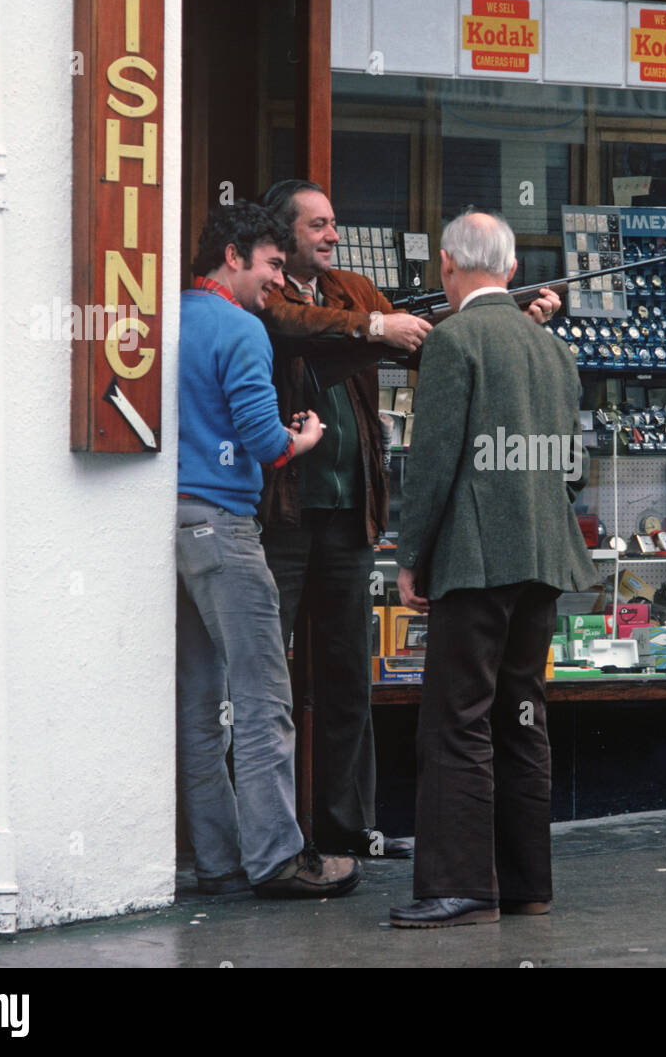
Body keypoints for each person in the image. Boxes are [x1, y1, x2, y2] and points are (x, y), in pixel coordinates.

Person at [255, 180, 562, 861]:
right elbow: (290, 325)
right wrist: (373, 328)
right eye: (318, 224)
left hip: (348, 514)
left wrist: (511, 316)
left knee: (346, 679)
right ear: (282, 233)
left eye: (334, 222)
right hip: (283, 512)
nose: (332, 235)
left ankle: (346, 827)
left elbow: (429, 343)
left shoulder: (353, 289)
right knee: (267, 681)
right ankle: (268, 842)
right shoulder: (266, 292)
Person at [388, 210, 598, 928]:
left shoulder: (454, 339)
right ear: (509, 269)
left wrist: (410, 557)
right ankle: (525, 884)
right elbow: (572, 468)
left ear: (447, 265)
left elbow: (432, 464)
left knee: (456, 720)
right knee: (521, 715)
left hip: (474, 560)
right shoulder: (553, 348)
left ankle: (462, 888)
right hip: (543, 556)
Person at [176, 200, 360, 899]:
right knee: (262, 700)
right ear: (233, 257)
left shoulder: (169, 316)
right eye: (273, 265)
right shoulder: (241, 328)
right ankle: (279, 858)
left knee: (200, 704)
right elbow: (265, 442)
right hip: (225, 525)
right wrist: (303, 437)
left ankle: (219, 862)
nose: (279, 281)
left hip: (176, 522)